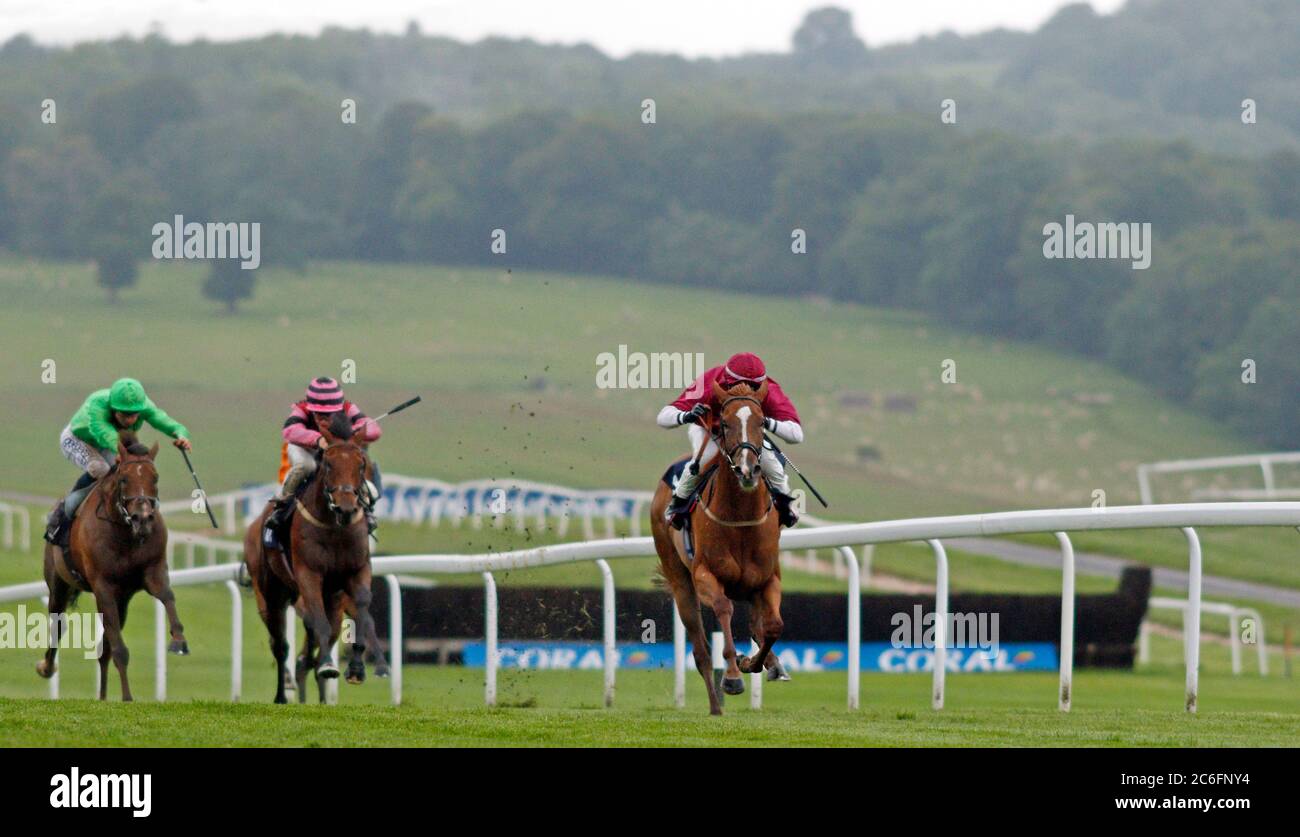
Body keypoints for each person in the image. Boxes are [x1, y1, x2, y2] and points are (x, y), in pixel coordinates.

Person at [657, 352, 803, 529]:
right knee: (704, 459)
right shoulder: (710, 383)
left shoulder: (771, 390)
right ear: (726, 380)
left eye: (752, 388)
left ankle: (786, 506)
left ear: (761, 386)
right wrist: (686, 415)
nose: (744, 391)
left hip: (747, 431)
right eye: (737, 386)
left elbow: (796, 435)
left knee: (769, 462)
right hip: (710, 429)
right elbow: (663, 417)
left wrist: (766, 423)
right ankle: (677, 505)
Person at [44, 377, 191, 545]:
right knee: (100, 468)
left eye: (134, 415)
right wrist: (120, 449)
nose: (129, 420)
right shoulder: (97, 404)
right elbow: (103, 433)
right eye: (124, 415)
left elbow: (163, 420)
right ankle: (63, 510)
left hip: (109, 442)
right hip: (77, 440)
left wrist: (181, 434)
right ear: (113, 409)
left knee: (131, 470)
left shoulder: (144, 405)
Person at [262, 377, 382, 548]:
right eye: (318, 414)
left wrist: (356, 431)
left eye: (329, 414)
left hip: (334, 450)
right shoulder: (301, 409)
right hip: (305, 449)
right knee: (307, 466)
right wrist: (317, 439)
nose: (323, 419)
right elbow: (289, 431)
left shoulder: (349, 408)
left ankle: (367, 510)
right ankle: (280, 508)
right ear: (310, 408)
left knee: (353, 465)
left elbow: (374, 430)